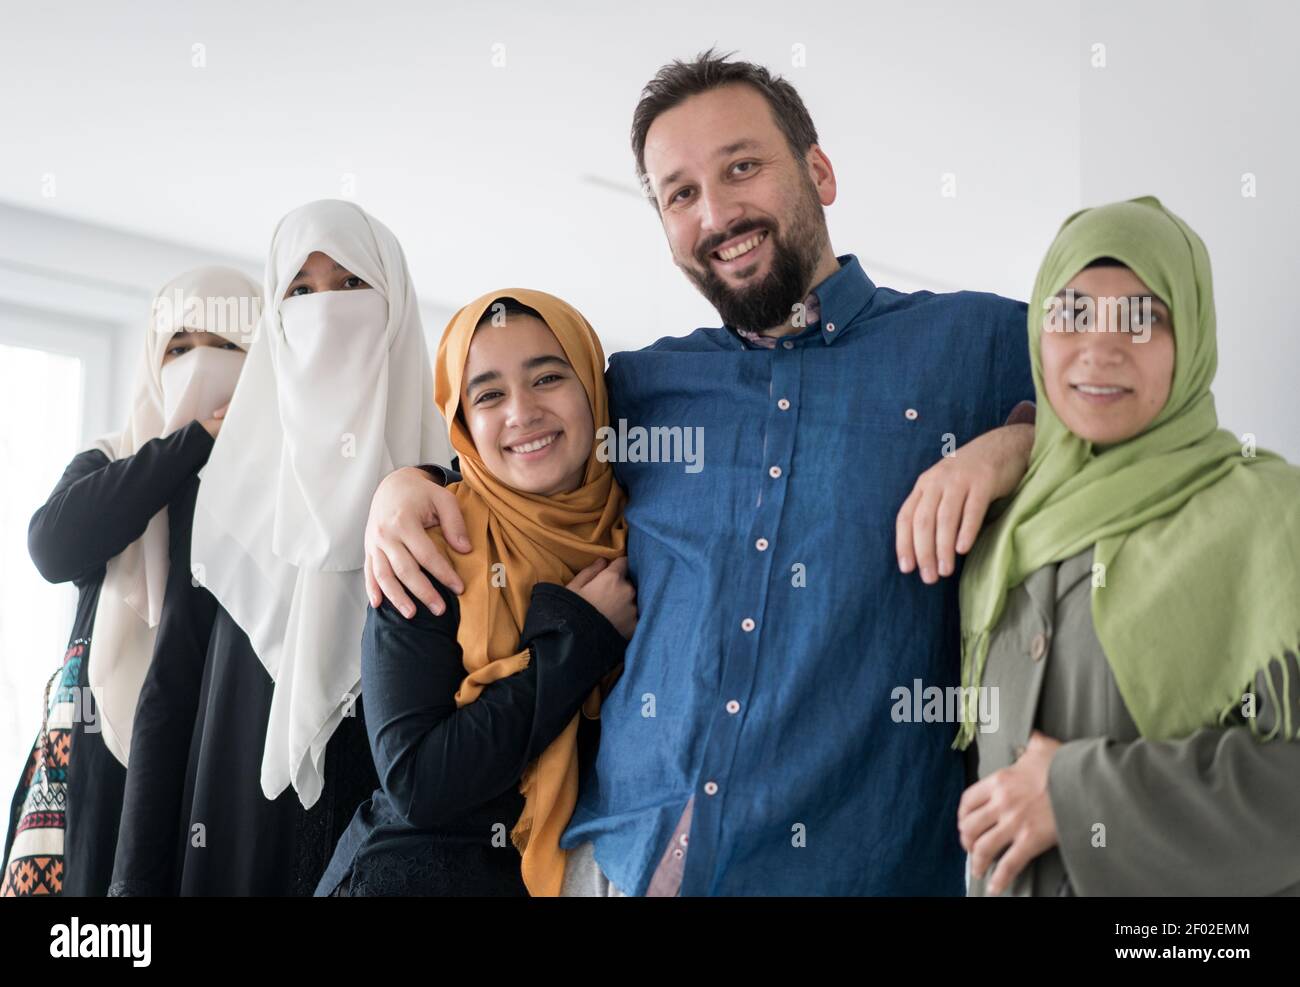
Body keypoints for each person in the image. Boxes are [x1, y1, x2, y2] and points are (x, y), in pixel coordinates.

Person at [361, 49, 1038, 895]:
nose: (716, 212)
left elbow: (1140, 422)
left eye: (742, 167)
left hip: (855, 867)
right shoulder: (641, 388)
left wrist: (1015, 444)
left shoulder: (974, 348)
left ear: (819, 172)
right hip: (618, 863)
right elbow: (525, 442)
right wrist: (403, 486)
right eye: (680, 193)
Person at [956, 196, 1300, 896]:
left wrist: (1080, 796)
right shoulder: (1004, 529)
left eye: (1143, 318)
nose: (1100, 348)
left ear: (1193, 338)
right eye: (1071, 314)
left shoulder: (1270, 514)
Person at [109, 199, 449, 895]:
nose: (325, 309)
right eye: (300, 289)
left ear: (396, 303)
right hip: (234, 819)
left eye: (353, 284)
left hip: (393, 839)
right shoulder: (225, 487)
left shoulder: (449, 490)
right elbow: (169, 694)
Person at [317, 290, 632, 896]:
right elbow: (417, 783)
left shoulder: (641, 529)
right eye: (488, 394)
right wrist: (581, 639)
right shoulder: (427, 541)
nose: (522, 411)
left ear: (593, 385)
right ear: (462, 420)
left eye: (548, 377)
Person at [2, 266, 256, 896]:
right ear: (152, 358)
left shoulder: (267, 481)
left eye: (226, 347)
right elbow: (53, 547)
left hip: (214, 741)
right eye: (179, 347)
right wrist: (191, 443)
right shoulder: (114, 457)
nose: (200, 365)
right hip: (96, 743)